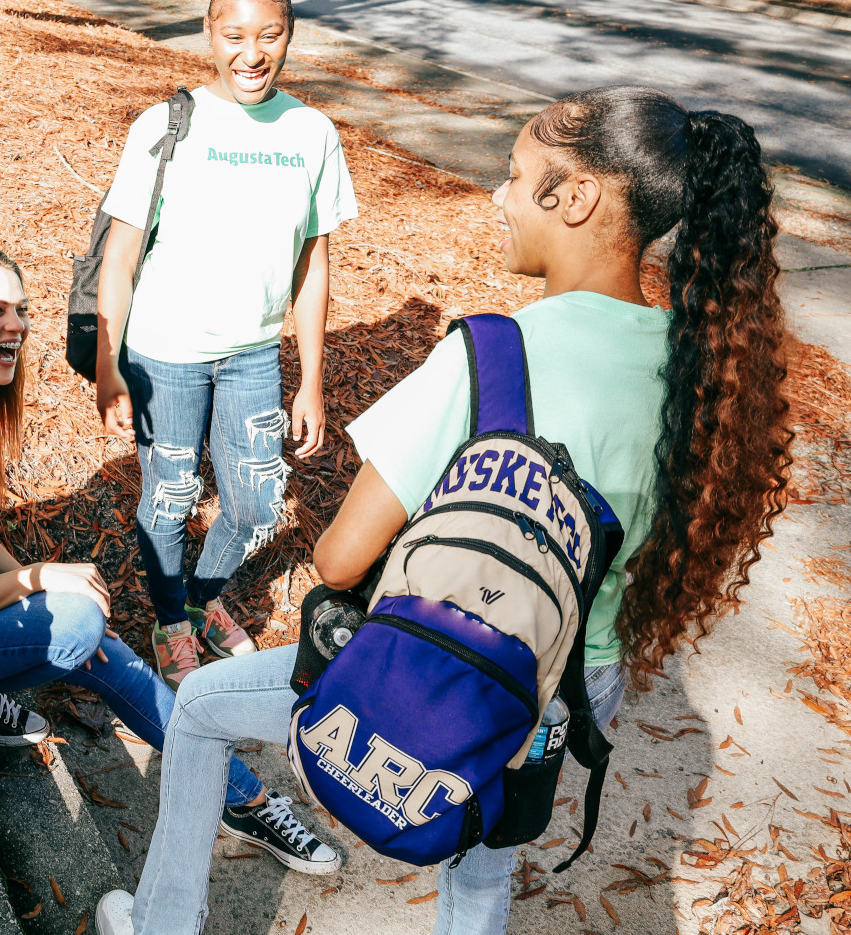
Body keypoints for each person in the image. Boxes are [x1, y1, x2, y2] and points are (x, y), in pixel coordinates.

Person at [93, 84, 794, 935]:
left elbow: (343, 560)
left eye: (516, 174)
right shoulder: (701, 373)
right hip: (575, 681)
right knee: (479, 861)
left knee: (200, 705)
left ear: (577, 197)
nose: (498, 195)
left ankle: (162, 922)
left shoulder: (495, 357)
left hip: (437, 661)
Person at [0, 248, 339, 874]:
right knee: (77, 627)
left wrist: (33, 595)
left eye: (21, 310)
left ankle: (243, 798)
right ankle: (242, 797)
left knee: (89, 637)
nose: (15, 325)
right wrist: (33, 583)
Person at [95, 0, 357, 689]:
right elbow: (119, 255)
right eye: (234, 34)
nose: (252, 52)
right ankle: (172, 617)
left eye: (269, 34)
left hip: (250, 357)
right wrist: (111, 363)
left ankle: (205, 599)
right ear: (208, 34)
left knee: (255, 501)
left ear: (290, 38)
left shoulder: (311, 132)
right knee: (170, 497)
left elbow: (313, 265)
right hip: (165, 354)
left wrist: (312, 381)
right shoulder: (165, 124)